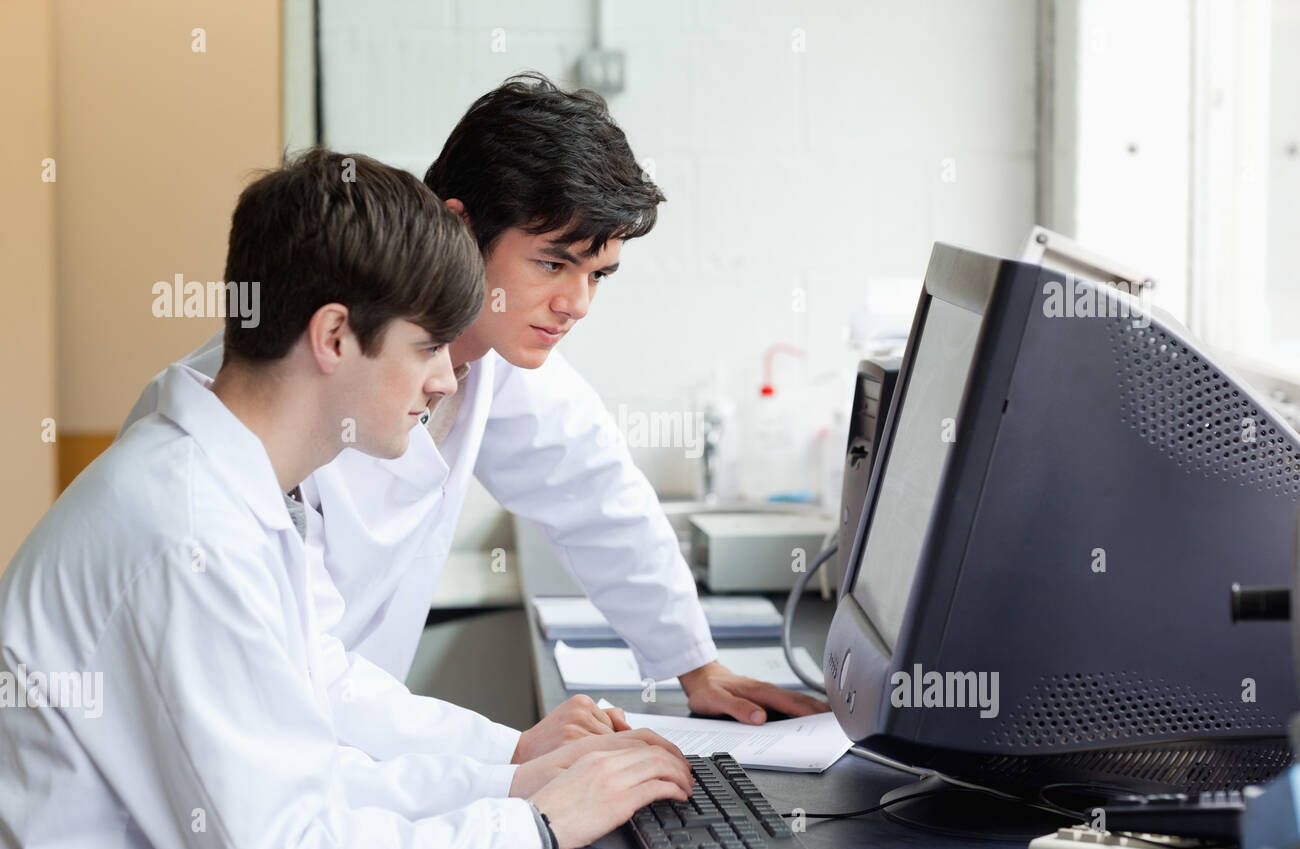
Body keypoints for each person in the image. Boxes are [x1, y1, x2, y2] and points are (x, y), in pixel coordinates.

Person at [0, 148, 690, 849]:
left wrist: (510, 783)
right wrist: (537, 828)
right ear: (333, 337)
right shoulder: (191, 537)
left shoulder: (231, 489)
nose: (444, 383)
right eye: (427, 349)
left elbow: (309, 757)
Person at [123, 73, 829, 725]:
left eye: (598, 276)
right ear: (461, 228)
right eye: (553, 264)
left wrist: (695, 667)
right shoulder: (299, 382)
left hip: (339, 743)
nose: (576, 303)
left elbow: (598, 492)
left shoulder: (497, 356)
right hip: (261, 747)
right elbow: (301, 686)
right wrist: (516, 760)